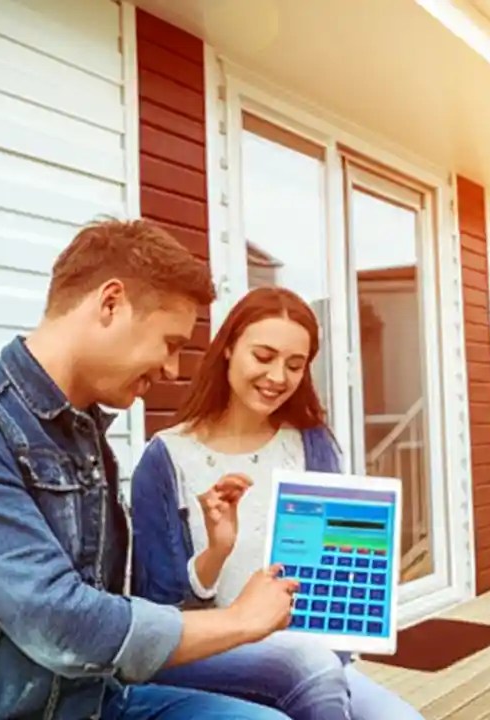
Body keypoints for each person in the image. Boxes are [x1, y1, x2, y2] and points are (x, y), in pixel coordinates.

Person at [0, 219, 307, 719]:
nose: (172, 370)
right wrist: (240, 621)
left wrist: (216, 553)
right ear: (110, 303)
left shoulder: (85, 435)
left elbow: (126, 612)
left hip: (90, 702)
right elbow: (60, 623)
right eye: (171, 343)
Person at [131, 287, 425, 720]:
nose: (277, 377)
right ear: (229, 347)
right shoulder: (167, 458)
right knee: (310, 664)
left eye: (294, 365)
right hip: (209, 651)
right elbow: (161, 611)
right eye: (263, 356)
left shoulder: (311, 443)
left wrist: (368, 569)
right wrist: (217, 550)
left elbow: (332, 563)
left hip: (307, 647)